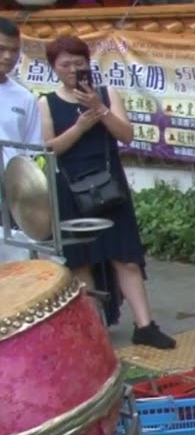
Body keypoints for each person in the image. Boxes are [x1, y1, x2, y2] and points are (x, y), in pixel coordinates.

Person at [37, 35, 174, 349]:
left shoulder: (105, 93)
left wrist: (99, 110)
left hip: (109, 184)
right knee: (81, 261)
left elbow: (126, 135)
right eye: (65, 65)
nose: (73, 70)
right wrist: (80, 127)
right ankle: (95, 329)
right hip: (70, 188)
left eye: (79, 64)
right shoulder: (46, 103)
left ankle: (145, 325)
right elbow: (48, 149)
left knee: (125, 258)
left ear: (89, 64)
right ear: (54, 68)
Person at [0, 18, 42, 168]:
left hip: (12, 186)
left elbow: (34, 151)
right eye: (2, 48)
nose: (8, 56)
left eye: (14, 50)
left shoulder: (25, 98)